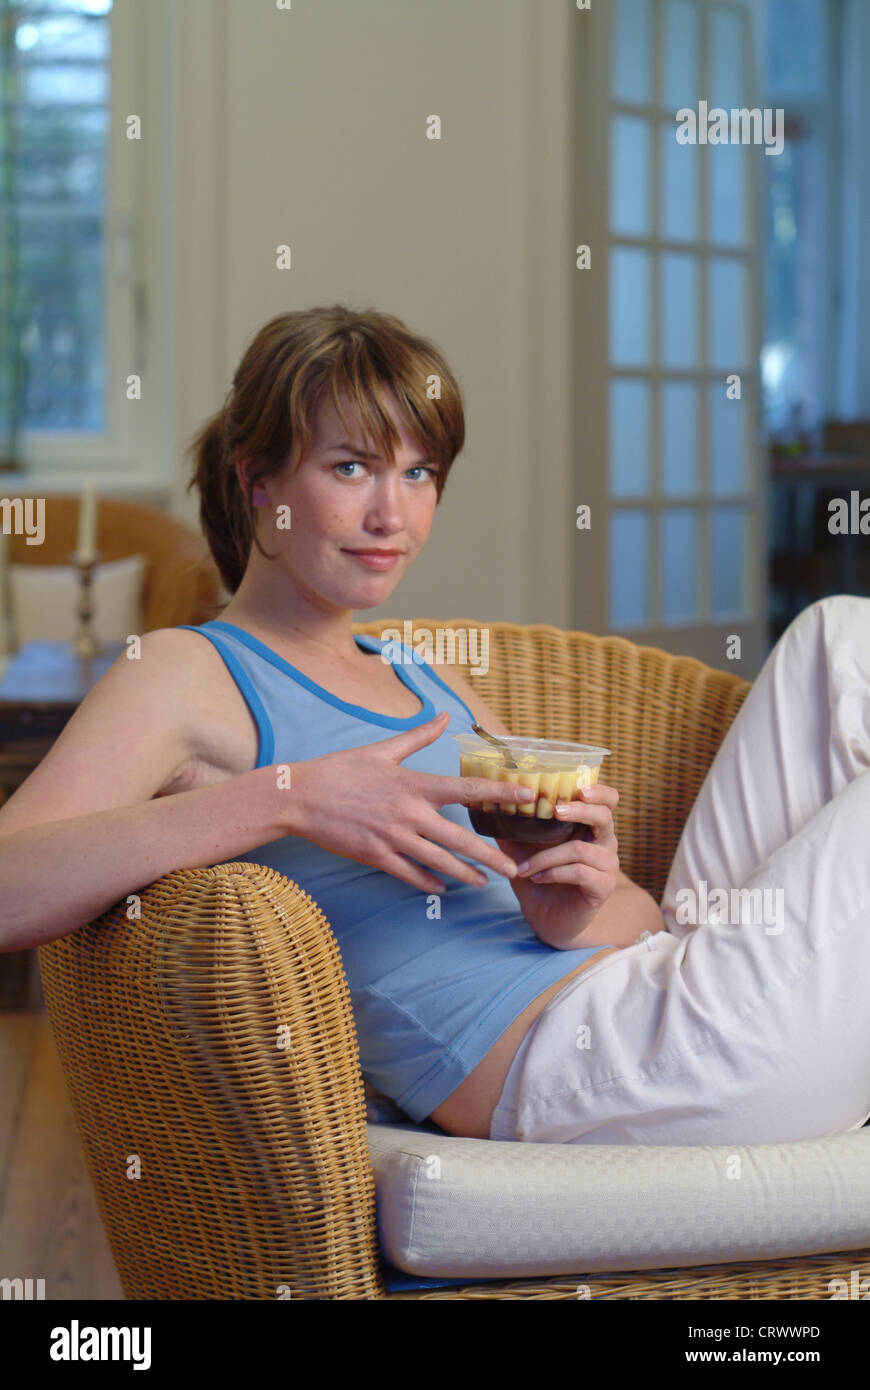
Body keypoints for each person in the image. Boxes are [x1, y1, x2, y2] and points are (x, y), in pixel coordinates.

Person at [1, 305, 868, 1148]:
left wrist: (577, 907)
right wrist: (290, 798)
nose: (393, 516)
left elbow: (645, 924)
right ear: (257, 479)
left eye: (418, 473)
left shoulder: (424, 673)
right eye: (351, 468)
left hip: (667, 987)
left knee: (840, 638)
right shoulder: (187, 670)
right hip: (599, 1068)